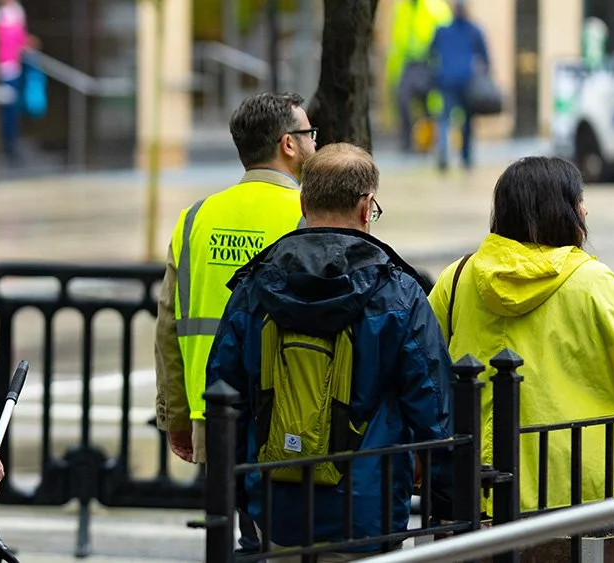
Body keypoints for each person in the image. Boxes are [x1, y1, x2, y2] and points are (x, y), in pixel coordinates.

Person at [206, 143, 453, 562]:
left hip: (276, 507)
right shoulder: (398, 293)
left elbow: (222, 396)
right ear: (366, 206)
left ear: (303, 202)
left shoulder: (255, 286)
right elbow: (434, 409)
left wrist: (245, 493)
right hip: (368, 513)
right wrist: (447, 499)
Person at [427, 156, 614, 513]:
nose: (585, 211)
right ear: (562, 211)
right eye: (579, 201)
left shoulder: (455, 279)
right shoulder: (591, 282)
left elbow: (422, 366)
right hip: (582, 483)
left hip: (482, 484)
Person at [155, 91, 316, 553]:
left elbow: (170, 327)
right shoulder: (309, 216)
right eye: (309, 135)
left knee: (235, 534)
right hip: (293, 417)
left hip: (215, 414)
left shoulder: (195, 219)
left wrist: (177, 417)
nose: (314, 144)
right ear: (288, 144)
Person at [429, 0, 490, 171]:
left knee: (445, 119)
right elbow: (485, 58)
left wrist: (437, 72)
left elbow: (431, 52)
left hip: (447, 80)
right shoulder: (474, 30)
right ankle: (466, 156)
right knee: (466, 121)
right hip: (466, 82)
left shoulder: (443, 31)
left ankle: (444, 154)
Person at [386, 0, 452, 153]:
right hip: (408, 64)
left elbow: (446, 39)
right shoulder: (401, 8)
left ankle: (430, 143)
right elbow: (397, 40)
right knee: (403, 101)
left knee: (430, 106)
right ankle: (407, 142)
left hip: (430, 63)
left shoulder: (436, 7)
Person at [0, 0, 35, 161]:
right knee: (5, 109)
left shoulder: (15, 11)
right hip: (2, 66)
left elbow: (20, 40)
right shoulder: (1, 13)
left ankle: (10, 144)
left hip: (10, 67)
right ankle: (7, 143)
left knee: (10, 109)